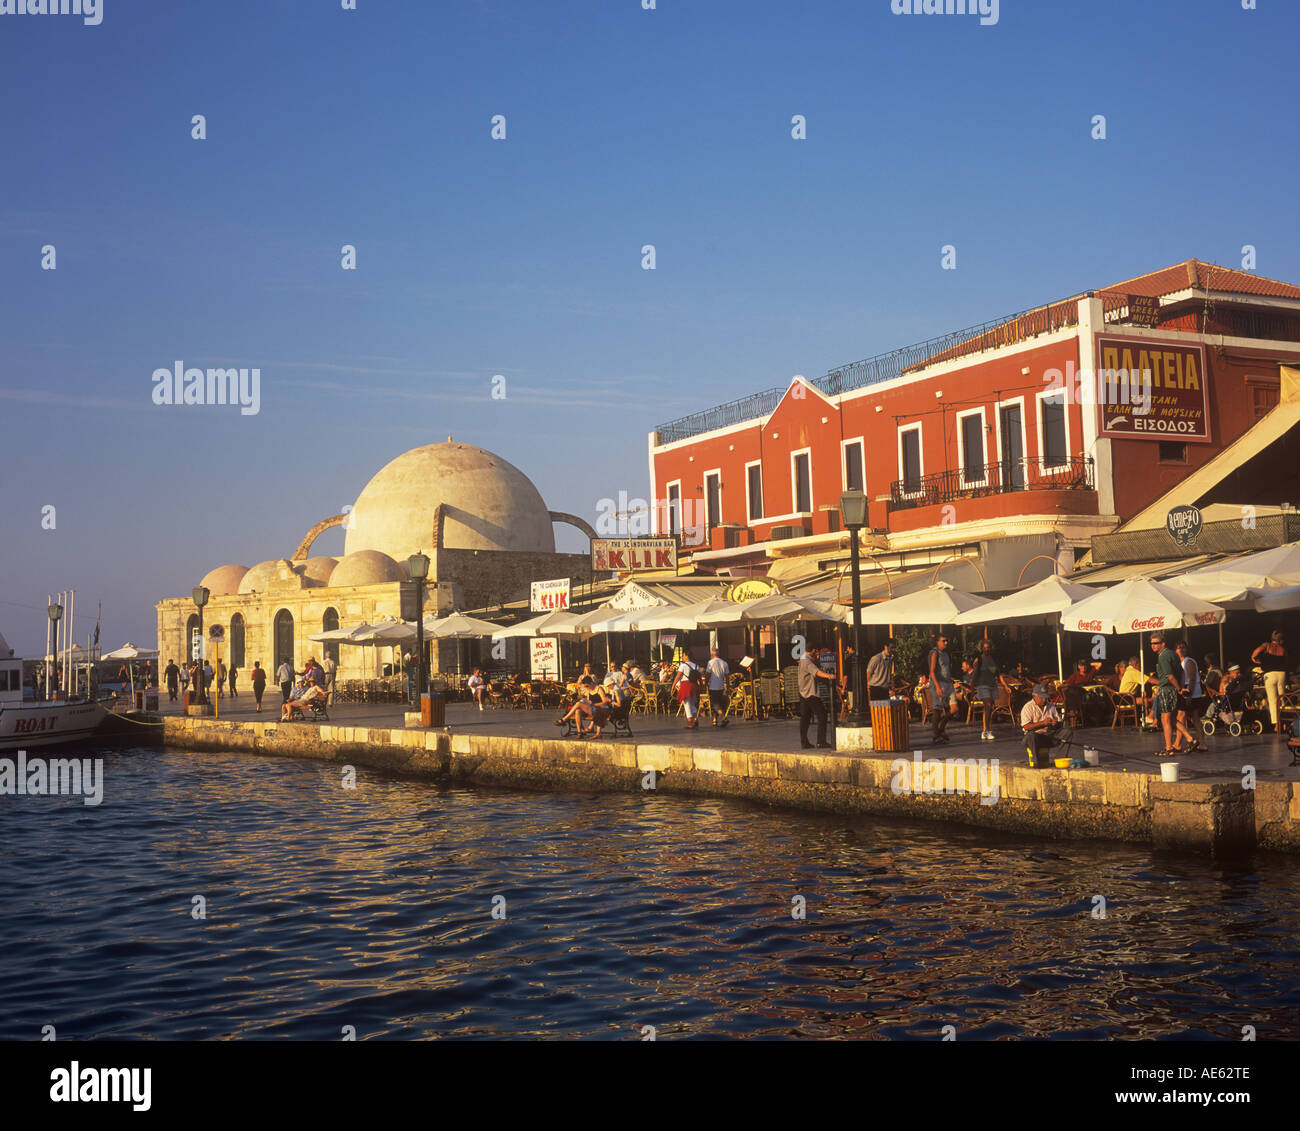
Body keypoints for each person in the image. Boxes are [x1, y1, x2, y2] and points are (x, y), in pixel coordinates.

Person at [1149, 633, 1199, 756]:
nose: (1153, 646)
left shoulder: (1163, 656)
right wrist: (1180, 688)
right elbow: (1182, 672)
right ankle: (1190, 739)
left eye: (1156, 643)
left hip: (1167, 689)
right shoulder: (1173, 654)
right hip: (1173, 690)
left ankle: (1169, 748)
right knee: (1171, 719)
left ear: (1163, 643)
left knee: (1165, 719)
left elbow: (1170, 676)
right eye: (1151, 643)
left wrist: (1179, 689)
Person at [969, 639, 1010, 742]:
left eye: (989, 647)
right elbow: (974, 675)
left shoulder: (994, 659)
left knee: (989, 708)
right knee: (987, 705)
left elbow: (998, 674)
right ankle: (987, 731)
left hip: (992, 685)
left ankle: (984, 731)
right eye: (985, 647)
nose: (987, 649)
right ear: (981, 648)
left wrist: (1005, 686)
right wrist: (972, 688)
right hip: (982, 685)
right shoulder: (978, 659)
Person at [797, 649, 837, 749]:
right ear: (813, 650)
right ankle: (821, 741)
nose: (818, 654)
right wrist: (829, 676)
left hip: (803, 692)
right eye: (817, 652)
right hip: (810, 693)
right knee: (822, 715)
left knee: (805, 718)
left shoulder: (803, 659)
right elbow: (817, 672)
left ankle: (804, 742)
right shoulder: (807, 660)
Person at [1251, 630, 1288, 734]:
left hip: (1270, 674)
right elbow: (1286, 662)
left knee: (1272, 701)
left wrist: (1255, 660)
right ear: (1280, 640)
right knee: (1282, 699)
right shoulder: (1283, 649)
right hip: (1281, 674)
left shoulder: (1266, 645)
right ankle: (1284, 722)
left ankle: (1277, 725)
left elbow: (1255, 653)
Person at [1020, 683, 1065, 765]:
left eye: (1045, 697)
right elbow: (1026, 727)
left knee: (1067, 732)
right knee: (1031, 736)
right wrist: (1043, 723)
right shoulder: (1028, 707)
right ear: (1034, 696)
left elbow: (1060, 723)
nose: (1044, 700)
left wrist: (1055, 724)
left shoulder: (1050, 706)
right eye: (1041, 697)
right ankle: (1036, 762)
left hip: (1048, 736)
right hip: (1034, 738)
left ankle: (1061, 760)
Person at [927, 634, 955, 744]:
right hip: (938, 684)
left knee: (954, 708)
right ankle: (936, 735)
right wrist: (938, 687)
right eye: (943, 641)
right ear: (937, 642)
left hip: (947, 683)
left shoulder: (946, 654)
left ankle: (941, 728)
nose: (946, 643)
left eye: (946, 640)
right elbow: (932, 671)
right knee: (937, 709)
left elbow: (946, 669)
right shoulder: (934, 653)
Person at [1176, 640, 1206, 736]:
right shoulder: (1181, 662)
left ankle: (1179, 743)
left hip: (1191, 691)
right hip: (1187, 691)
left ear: (1187, 649)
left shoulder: (1188, 661)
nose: (1181, 650)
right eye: (1179, 648)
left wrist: (1190, 695)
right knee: (1193, 717)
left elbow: (1192, 679)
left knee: (1182, 717)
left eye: (1183, 647)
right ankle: (1201, 743)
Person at [672, 654, 703, 729]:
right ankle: (695, 719)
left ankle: (690, 722)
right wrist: (701, 686)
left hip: (686, 685)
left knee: (687, 704)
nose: (682, 657)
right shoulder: (696, 666)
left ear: (686, 656)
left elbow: (678, 676)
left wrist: (673, 685)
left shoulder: (683, 665)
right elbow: (699, 678)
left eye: (683, 656)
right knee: (692, 703)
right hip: (694, 685)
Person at [705, 647, 730, 728]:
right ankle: (715, 719)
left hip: (713, 686)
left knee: (715, 704)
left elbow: (708, 674)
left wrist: (705, 683)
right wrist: (728, 687)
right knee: (719, 703)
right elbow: (727, 676)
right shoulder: (724, 663)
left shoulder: (710, 663)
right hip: (721, 686)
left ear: (712, 654)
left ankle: (724, 717)